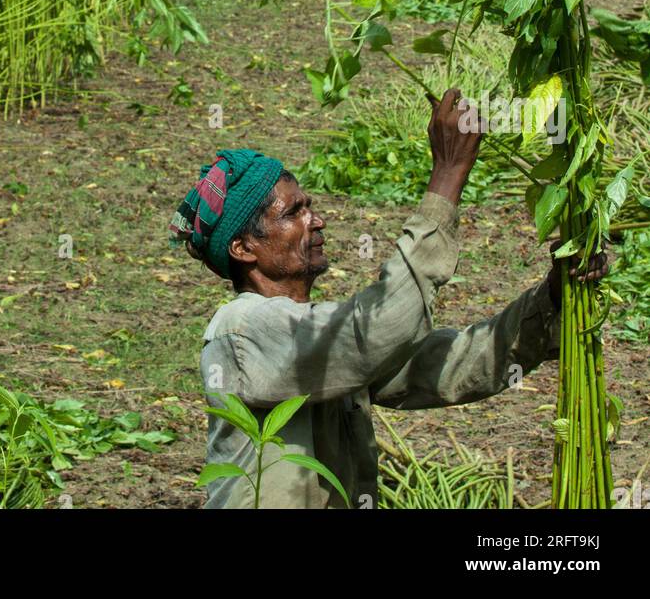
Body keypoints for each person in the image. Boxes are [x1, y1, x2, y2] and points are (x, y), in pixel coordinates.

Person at [169, 88, 609, 509]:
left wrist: (553, 294)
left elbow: (456, 365)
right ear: (243, 248)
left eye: (309, 206)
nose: (316, 220)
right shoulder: (242, 330)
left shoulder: (320, 338)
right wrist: (447, 176)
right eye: (293, 213)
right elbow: (378, 331)